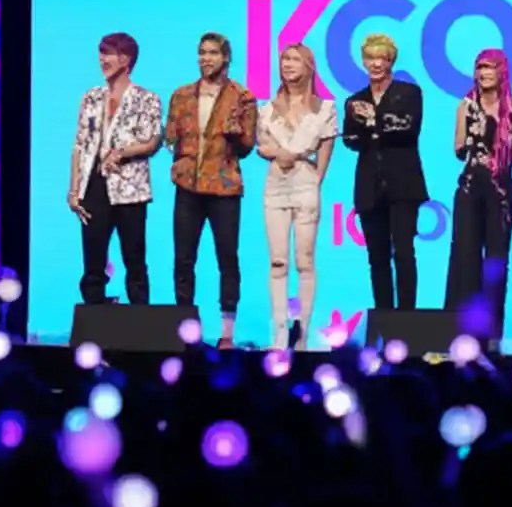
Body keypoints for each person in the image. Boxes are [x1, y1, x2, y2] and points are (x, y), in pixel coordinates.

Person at [166, 32, 258, 348]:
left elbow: (247, 146)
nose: (206, 59)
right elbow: (170, 136)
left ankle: (227, 333)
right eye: (202, 53)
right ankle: (185, 330)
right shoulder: (182, 95)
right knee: (183, 259)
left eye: (213, 53)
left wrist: (235, 135)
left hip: (224, 188)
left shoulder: (242, 97)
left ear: (226, 57)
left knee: (227, 258)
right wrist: (178, 157)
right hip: (188, 186)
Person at [67, 32, 163, 305]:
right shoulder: (91, 97)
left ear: (126, 59)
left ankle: (141, 319)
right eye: (101, 53)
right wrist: (74, 191)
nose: (102, 59)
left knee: (134, 258)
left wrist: (120, 153)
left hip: (130, 188)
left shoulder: (146, 98)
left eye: (109, 53)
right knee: (93, 258)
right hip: (94, 185)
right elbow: (80, 145)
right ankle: (94, 313)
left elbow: (151, 141)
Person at [444, 49, 512, 349]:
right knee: (465, 258)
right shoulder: (466, 106)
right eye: (480, 67)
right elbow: (458, 148)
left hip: (501, 191)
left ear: (502, 71)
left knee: (495, 262)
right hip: (470, 187)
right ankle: (460, 332)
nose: (484, 73)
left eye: (490, 67)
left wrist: (501, 131)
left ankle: (492, 335)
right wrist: (475, 132)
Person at [257, 43, 337, 350]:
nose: (287, 64)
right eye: (284, 59)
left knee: (304, 260)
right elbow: (262, 145)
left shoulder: (324, 108)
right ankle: (279, 335)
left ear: (309, 66)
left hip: (305, 184)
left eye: (294, 59)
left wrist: (315, 180)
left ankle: (301, 336)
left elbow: (326, 147)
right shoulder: (267, 109)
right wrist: (279, 153)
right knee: (278, 261)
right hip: (276, 185)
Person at [341, 33, 427, 310]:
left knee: (404, 253)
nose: (376, 64)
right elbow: (350, 139)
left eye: (382, 58)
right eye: (371, 58)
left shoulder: (409, 93)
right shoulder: (355, 101)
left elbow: (407, 130)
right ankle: (383, 316)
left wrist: (372, 122)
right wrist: (377, 127)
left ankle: (407, 317)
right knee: (377, 258)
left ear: (391, 61)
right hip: (369, 186)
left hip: (403, 185)